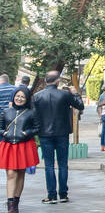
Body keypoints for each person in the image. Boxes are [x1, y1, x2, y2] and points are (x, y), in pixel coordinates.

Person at [32, 71, 84, 205]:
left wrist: (38, 130)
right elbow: (80, 106)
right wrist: (75, 93)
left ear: (45, 80)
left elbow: (35, 116)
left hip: (44, 134)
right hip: (62, 133)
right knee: (63, 164)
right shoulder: (65, 95)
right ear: (57, 81)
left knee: (49, 165)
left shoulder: (37, 96)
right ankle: (63, 194)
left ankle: (51, 195)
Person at [0, 86, 40, 213]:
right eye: (17, 96)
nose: (19, 98)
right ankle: (10, 204)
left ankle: (15, 202)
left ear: (27, 99)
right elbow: (0, 128)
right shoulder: (6, 112)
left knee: (21, 174)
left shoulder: (31, 112)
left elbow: (37, 128)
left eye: (23, 97)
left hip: (24, 145)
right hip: (9, 145)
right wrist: (4, 132)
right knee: (11, 174)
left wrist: (26, 133)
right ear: (13, 97)